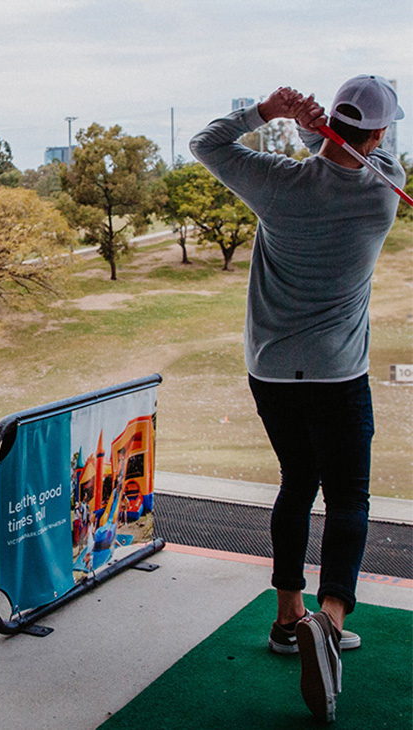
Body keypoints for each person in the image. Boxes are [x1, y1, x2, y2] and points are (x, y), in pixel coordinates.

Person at [191, 76, 404, 723]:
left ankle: (289, 620)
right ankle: (330, 618)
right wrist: (319, 126)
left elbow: (206, 143)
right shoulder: (380, 193)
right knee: (348, 498)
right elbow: (349, 149)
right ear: (380, 134)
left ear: (336, 122)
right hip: (340, 375)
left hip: (273, 373)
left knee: (297, 482)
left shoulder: (278, 184)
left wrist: (272, 110)